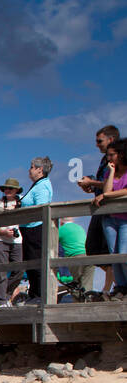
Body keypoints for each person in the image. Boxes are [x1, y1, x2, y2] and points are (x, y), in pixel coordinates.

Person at [79, 125, 118, 295]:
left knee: (109, 250)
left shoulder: (116, 158)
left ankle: (110, 288)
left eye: (99, 141)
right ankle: (113, 287)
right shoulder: (105, 159)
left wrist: (92, 183)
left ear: (111, 140)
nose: (97, 145)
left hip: (111, 208)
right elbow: (105, 183)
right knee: (96, 249)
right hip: (101, 207)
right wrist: (92, 187)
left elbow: (115, 183)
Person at [92, 137, 127, 299]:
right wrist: (112, 172)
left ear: (121, 154)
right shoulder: (109, 170)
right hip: (110, 218)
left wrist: (106, 195)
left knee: (123, 253)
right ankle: (121, 287)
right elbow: (107, 187)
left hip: (125, 218)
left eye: (111, 155)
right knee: (114, 255)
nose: (109, 158)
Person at [19, 156, 54, 302]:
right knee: (31, 263)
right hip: (29, 229)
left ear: (40, 170)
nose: (29, 169)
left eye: (32, 167)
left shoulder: (43, 185)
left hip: (35, 229)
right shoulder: (38, 185)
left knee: (36, 263)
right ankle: (35, 294)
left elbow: (42, 207)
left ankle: (39, 295)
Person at [0, 178, 24, 306]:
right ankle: (0, 300)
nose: (7, 191)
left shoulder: (22, 203)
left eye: (11, 188)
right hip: (0, 239)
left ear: (16, 190)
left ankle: (5, 294)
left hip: (17, 240)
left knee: (19, 268)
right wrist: (2, 232)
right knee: (1, 270)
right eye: (6, 188)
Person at [55, 218, 95, 299]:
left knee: (75, 287)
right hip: (89, 258)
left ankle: (78, 302)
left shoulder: (60, 230)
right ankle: (87, 303)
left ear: (61, 222)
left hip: (74, 258)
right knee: (87, 289)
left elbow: (52, 244)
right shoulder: (79, 227)